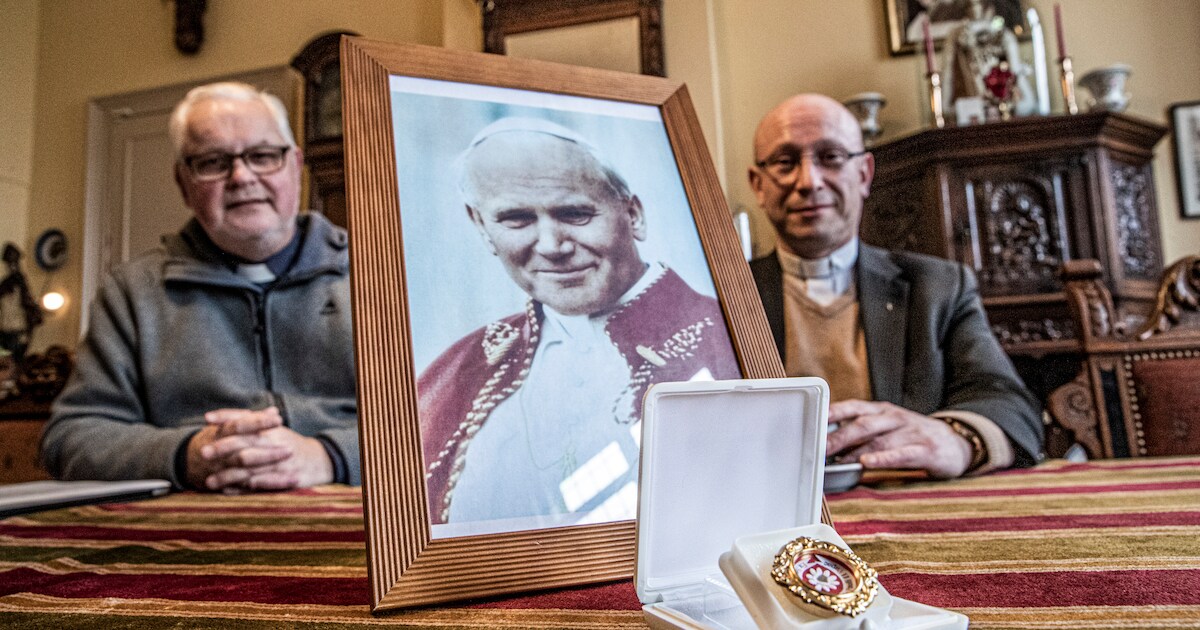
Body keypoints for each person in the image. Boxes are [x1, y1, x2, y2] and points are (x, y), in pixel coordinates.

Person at [419, 118, 740, 526]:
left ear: (634, 214)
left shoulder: (724, 334)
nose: (552, 246)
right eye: (516, 219)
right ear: (482, 227)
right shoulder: (459, 369)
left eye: (574, 214)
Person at [41, 82, 358, 493]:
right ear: (182, 183)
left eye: (263, 156)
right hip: (184, 524)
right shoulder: (132, 292)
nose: (242, 177)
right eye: (213, 162)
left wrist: (330, 456)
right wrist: (186, 454)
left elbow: (446, 421)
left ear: (296, 165)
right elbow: (70, 439)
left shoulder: (377, 273)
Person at [747, 94, 1042, 479]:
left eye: (831, 157)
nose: (809, 181)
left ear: (864, 174)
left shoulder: (939, 288)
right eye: (785, 162)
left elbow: (1008, 403)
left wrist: (956, 439)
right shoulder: (718, 296)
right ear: (758, 185)